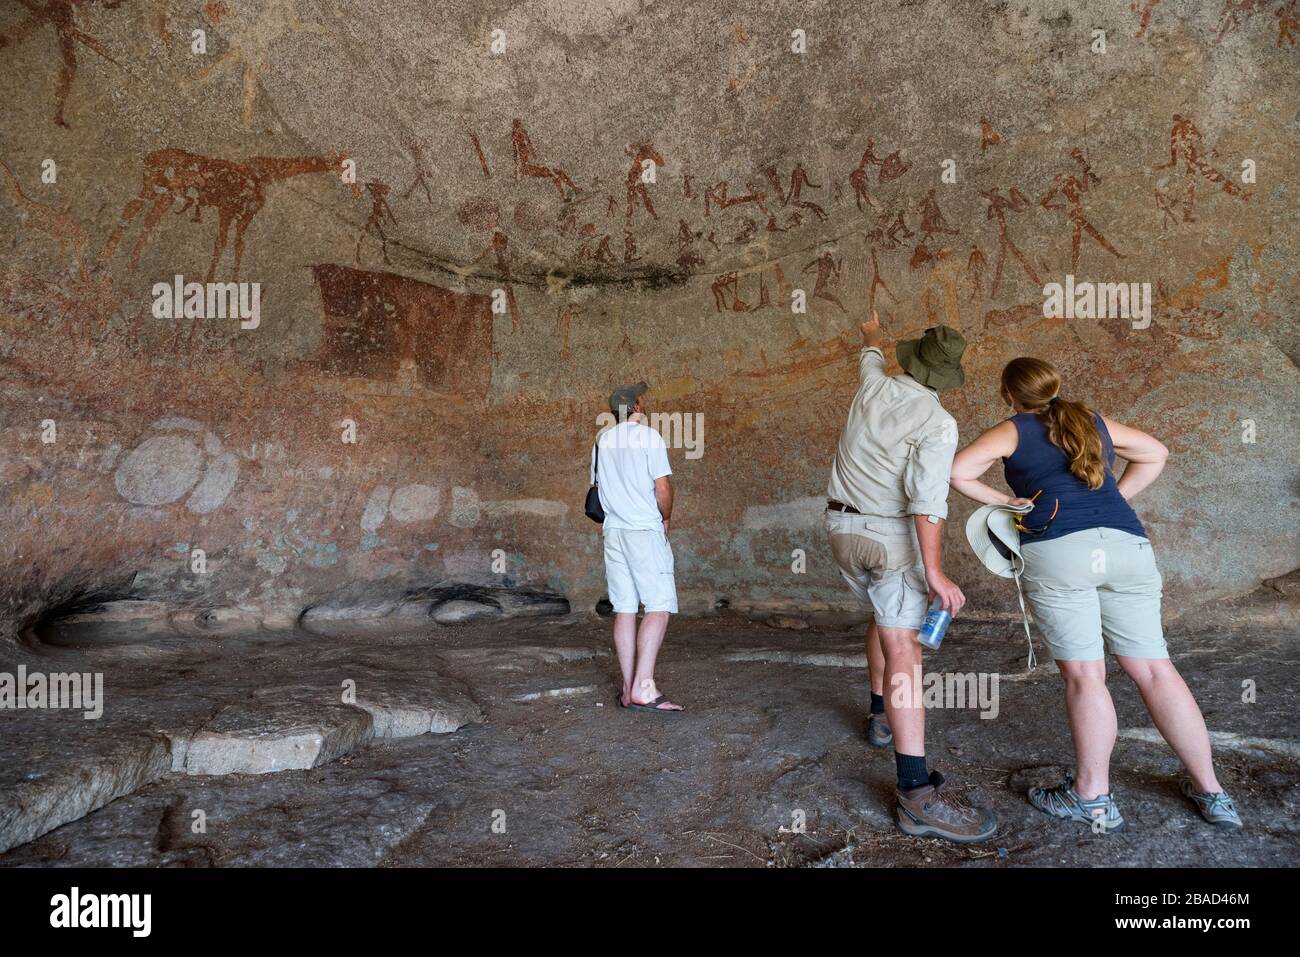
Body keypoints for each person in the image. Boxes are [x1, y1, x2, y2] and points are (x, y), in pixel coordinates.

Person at [950, 357, 1242, 831]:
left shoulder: (1012, 430)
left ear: (1009, 394)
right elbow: (1156, 452)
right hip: (1127, 545)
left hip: (1061, 550)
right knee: (1154, 668)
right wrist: (1117, 497)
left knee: (1087, 675)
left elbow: (959, 471)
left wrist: (1009, 502)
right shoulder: (1091, 421)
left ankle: (1093, 798)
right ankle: (1213, 793)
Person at [826, 311, 996, 843]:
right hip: (889, 538)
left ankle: (880, 715)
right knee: (906, 649)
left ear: (911, 360)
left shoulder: (872, 385)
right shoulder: (938, 422)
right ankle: (916, 794)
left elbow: (869, 354)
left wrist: (871, 331)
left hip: (839, 530)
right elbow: (927, 504)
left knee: (883, 619)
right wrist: (936, 572)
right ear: (946, 376)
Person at [593, 382, 683, 713]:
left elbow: (597, 487)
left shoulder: (602, 441)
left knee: (625, 608)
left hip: (614, 532)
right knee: (659, 605)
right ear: (637, 408)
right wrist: (666, 518)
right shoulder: (649, 437)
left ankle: (627, 687)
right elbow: (662, 488)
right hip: (644, 530)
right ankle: (644, 686)